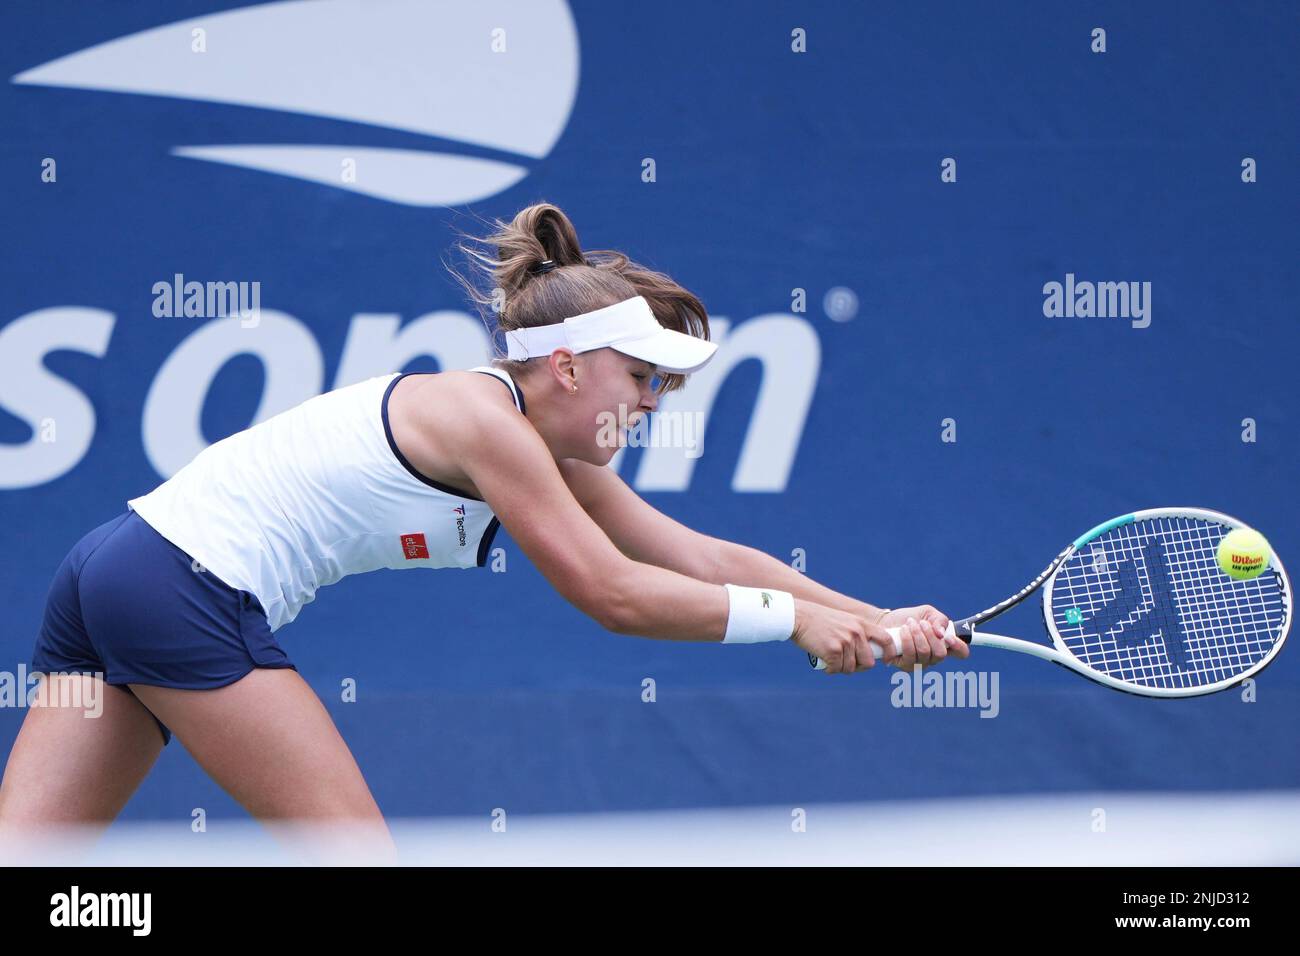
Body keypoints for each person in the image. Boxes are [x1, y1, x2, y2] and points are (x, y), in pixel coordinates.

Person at [0, 202, 967, 862]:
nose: (653, 404)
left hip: (112, 570)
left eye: (664, 388)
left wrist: (876, 618)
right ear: (571, 365)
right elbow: (614, 595)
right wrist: (789, 623)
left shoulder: (543, 449)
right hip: (182, 590)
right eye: (643, 378)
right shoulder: (483, 421)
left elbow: (699, 558)